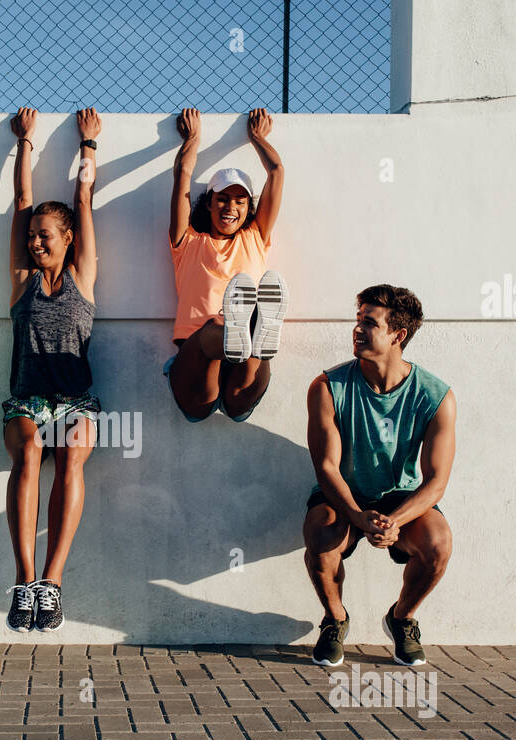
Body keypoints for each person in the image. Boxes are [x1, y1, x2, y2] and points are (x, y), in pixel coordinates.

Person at [303, 285, 457, 667]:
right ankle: (335, 619)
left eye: (369, 323)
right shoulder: (327, 387)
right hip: (345, 495)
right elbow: (326, 467)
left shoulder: (436, 396)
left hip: (399, 501)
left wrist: (394, 521)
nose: (357, 329)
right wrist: (357, 516)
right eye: (357, 320)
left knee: (439, 545)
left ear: (397, 335)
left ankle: (402, 618)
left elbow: (436, 481)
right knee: (320, 532)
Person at [2, 107, 101, 633]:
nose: (36, 241)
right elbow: (21, 202)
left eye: (47, 235)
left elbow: (84, 199)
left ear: (67, 240)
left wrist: (88, 146)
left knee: (70, 455)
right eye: (33, 235)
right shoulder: (23, 279)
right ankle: (23, 582)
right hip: (25, 400)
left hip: (77, 400)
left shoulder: (83, 277)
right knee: (32, 450)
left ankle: (52, 584)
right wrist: (25, 144)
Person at [165, 108, 287, 423]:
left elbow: (276, 171)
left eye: (240, 200)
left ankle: (254, 337)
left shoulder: (255, 236)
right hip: (198, 357)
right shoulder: (188, 241)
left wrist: (257, 137)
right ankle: (246, 334)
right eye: (222, 198)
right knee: (213, 331)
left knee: (245, 359)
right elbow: (182, 178)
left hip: (242, 377)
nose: (230, 206)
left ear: (249, 209)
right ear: (208, 203)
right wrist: (192, 139)